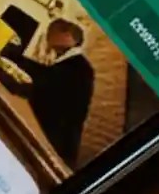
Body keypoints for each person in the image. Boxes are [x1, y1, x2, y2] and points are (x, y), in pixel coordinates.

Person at [6, 18, 94, 166]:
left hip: (56, 144)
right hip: (53, 138)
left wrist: (14, 58)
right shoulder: (71, 63)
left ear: (67, 36)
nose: (47, 37)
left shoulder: (79, 67)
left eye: (51, 32)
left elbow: (46, 81)